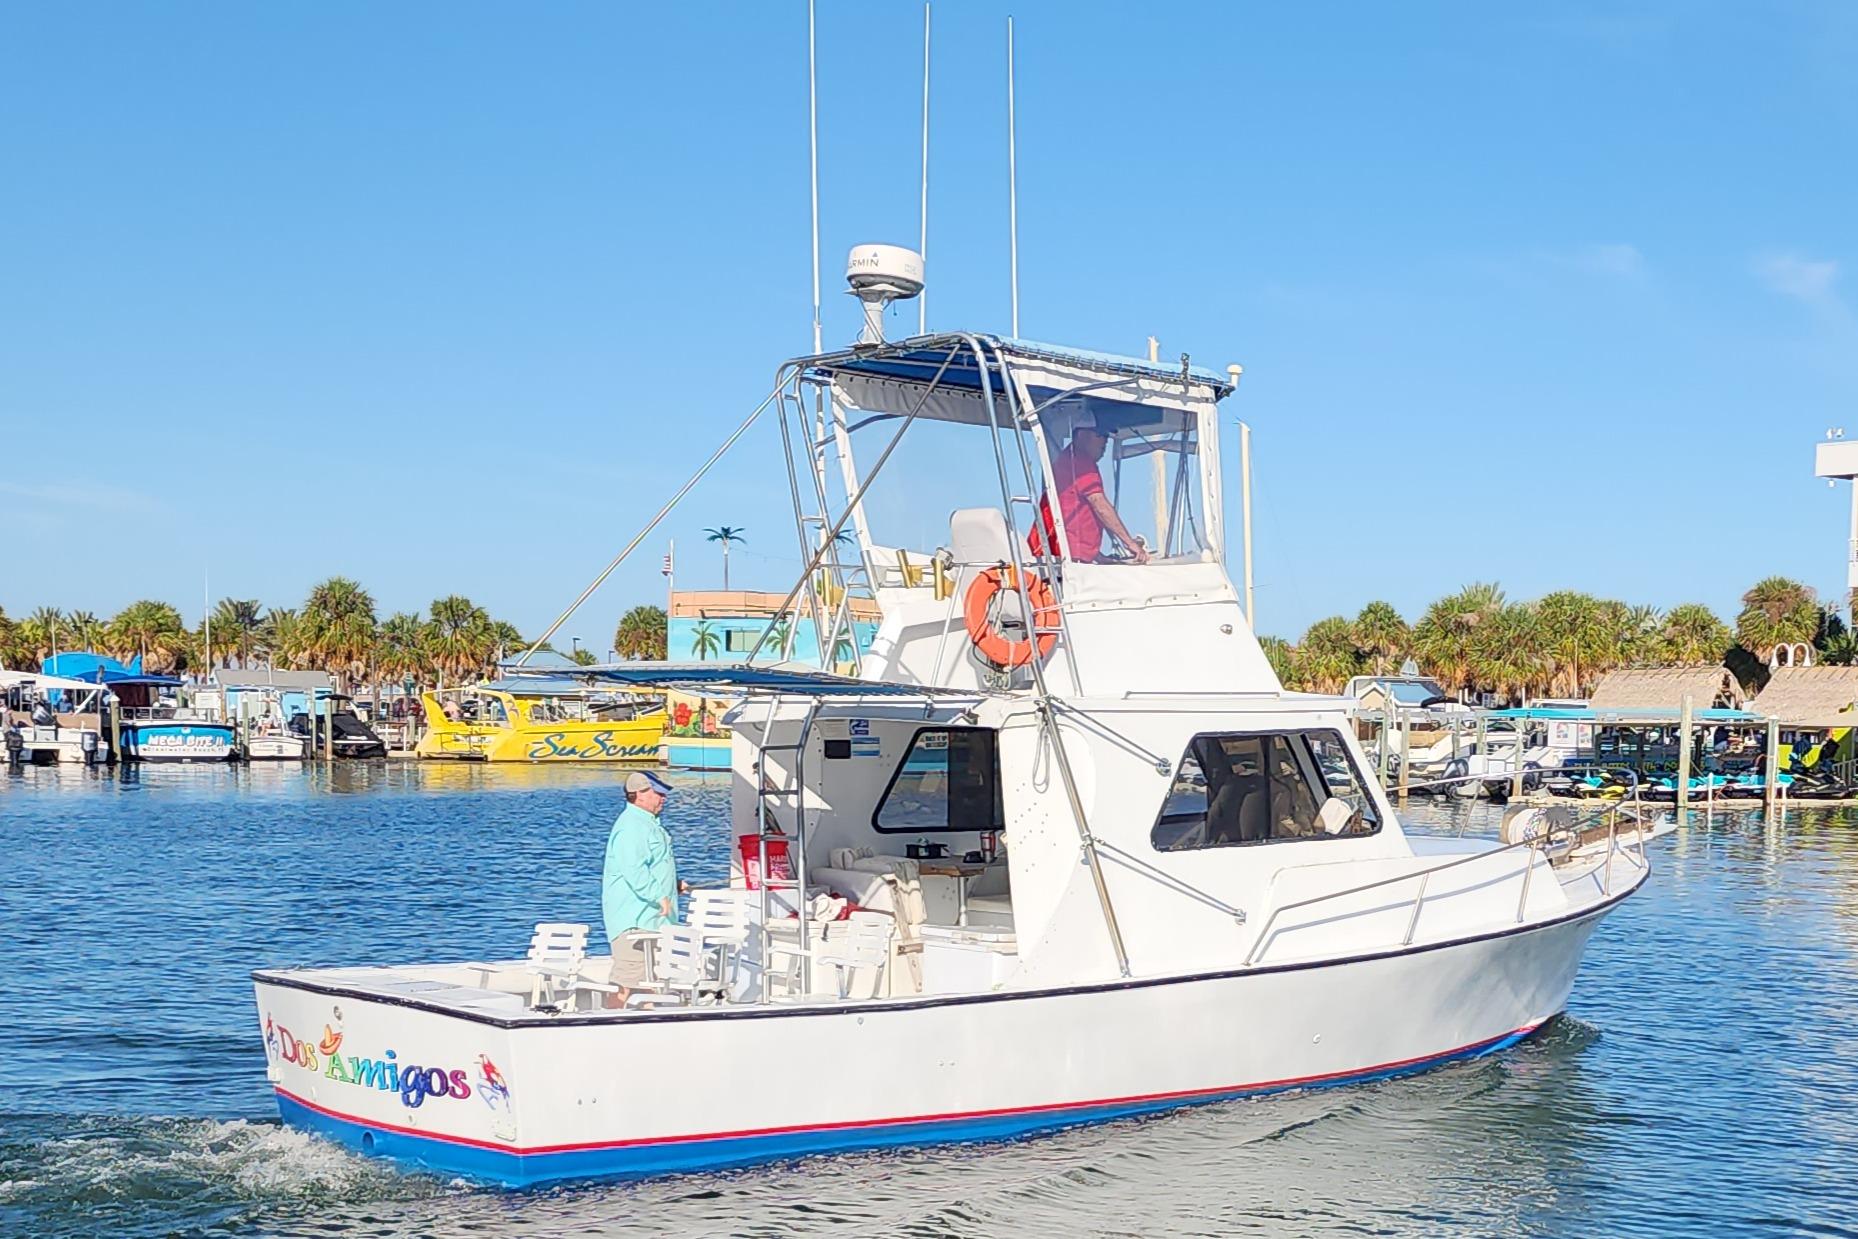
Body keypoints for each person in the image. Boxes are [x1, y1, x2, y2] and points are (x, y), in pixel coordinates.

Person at [603, 769, 687, 1007]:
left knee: (650, 985)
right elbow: (634, 870)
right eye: (659, 793)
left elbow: (653, 865)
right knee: (628, 985)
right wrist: (659, 895)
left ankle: (649, 1032)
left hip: (653, 922)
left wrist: (674, 884)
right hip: (635, 922)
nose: (664, 798)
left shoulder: (648, 823)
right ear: (639, 794)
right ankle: (608, 1027)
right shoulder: (631, 826)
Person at [1029, 414, 1149, 564]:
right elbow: (1099, 504)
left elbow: (1073, 517)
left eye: (1107, 436)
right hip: (1066, 559)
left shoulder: (1068, 460)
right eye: (1100, 434)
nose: (1105, 441)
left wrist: (1097, 556)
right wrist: (1130, 544)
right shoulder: (1080, 462)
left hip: (1060, 554)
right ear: (1081, 435)